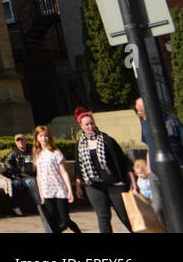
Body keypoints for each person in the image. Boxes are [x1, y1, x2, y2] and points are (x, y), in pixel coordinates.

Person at [72, 107, 134, 234]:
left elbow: (124, 162)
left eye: (92, 123)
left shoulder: (107, 140)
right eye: (87, 124)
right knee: (103, 217)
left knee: (125, 216)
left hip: (114, 184)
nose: (90, 126)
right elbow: (78, 167)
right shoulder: (79, 144)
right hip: (93, 185)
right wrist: (78, 186)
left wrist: (133, 181)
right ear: (81, 126)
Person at [134, 96, 183, 229]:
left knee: (176, 205)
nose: (137, 113)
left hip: (174, 170)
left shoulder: (171, 122)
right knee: (157, 207)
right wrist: (149, 168)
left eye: (139, 110)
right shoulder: (144, 123)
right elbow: (149, 146)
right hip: (155, 172)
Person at [34, 124, 80, 233]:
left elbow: (64, 172)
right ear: (37, 138)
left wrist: (70, 191)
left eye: (46, 136)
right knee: (53, 220)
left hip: (59, 189)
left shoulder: (56, 152)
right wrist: (41, 192)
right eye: (41, 136)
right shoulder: (37, 154)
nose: (43, 138)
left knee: (65, 220)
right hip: (46, 190)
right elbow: (39, 175)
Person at [3, 133, 50, 231]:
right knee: (15, 184)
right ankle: (16, 208)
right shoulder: (13, 153)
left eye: (22, 140)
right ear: (15, 142)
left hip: (35, 175)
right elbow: (7, 164)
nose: (20, 142)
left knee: (33, 181)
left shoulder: (32, 151)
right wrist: (18, 174)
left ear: (25, 141)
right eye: (18, 140)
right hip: (21, 177)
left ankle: (42, 207)